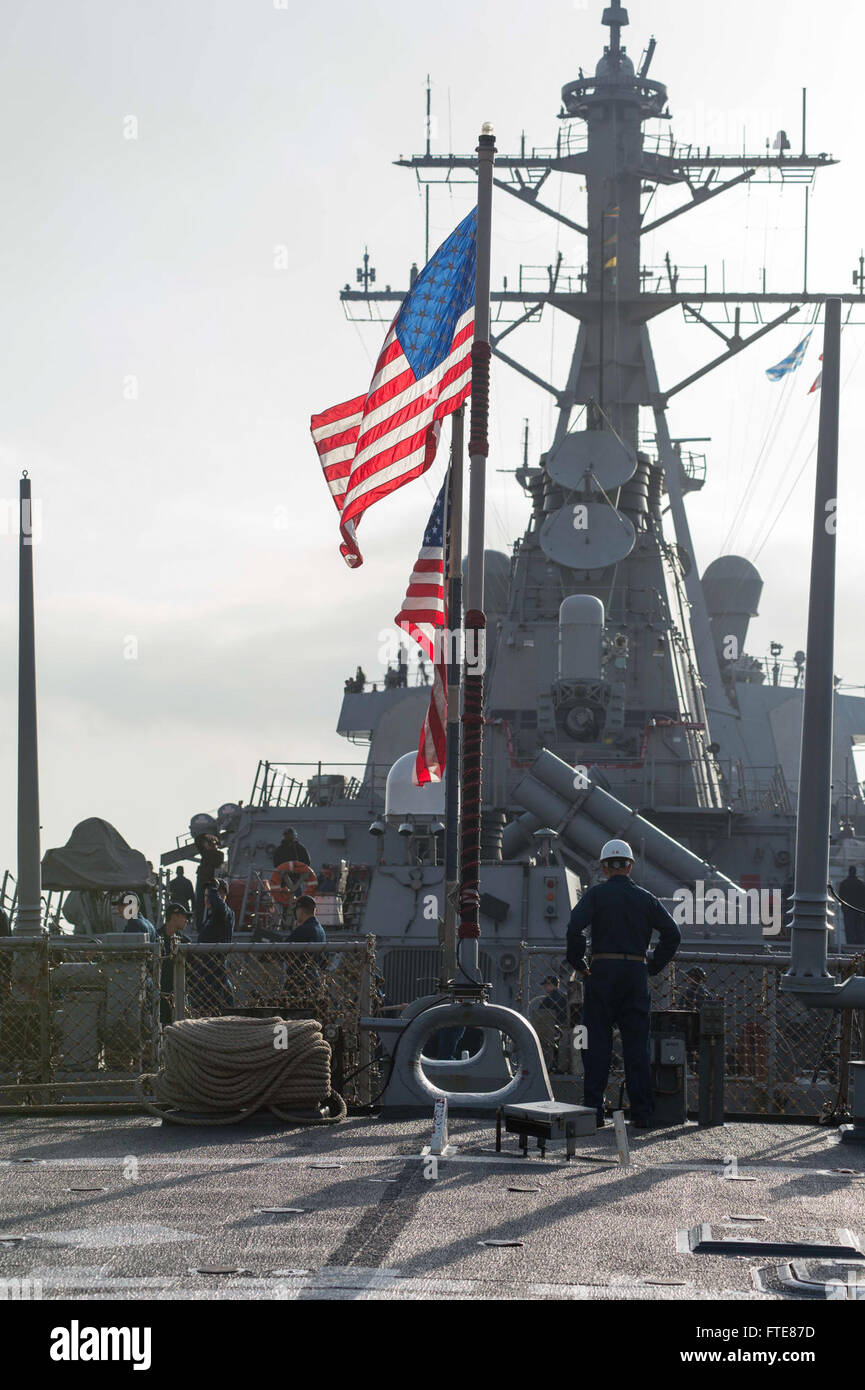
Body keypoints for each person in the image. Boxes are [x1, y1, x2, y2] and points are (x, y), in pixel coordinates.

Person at [566, 838, 681, 1129]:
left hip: (602, 971)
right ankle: (641, 1113)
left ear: (604, 867)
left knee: (597, 1044)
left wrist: (580, 963)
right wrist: (652, 965)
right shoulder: (646, 898)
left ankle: (594, 1110)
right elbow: (672, 934)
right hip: (634, 973)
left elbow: (574, 928)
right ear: (629, 866)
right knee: (636, 1045)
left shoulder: (596, 896)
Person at [188, 879, 235, 1015]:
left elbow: (220, 907)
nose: (207, 899)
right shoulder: (212, 917)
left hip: (216, 976)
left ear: (223, 896)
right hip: (204, 975)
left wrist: (214, 890)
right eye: (206, 895)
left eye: (212, 895)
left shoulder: (225, 913)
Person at [285, 894, 326, 1002]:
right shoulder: (320, 929)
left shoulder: (305, 929)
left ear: (301, 911)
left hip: (299, 981)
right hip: (314, 979)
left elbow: (283, 949)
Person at [157, 904, 192, 1025]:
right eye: (184, 917)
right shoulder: (157, 938)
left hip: (180, 992)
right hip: (160, 993)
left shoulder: (186, 942)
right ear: (174, 917)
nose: (187, 920)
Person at [194, 834, 224, 928]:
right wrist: (207, 836)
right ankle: (201, 924)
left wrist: (208, 838)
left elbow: (198, 840)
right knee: (201, 904)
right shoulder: (209, 853)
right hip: (204, 881)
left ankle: (203, 924)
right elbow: (198, 840)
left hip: (209, 882)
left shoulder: (215, 854)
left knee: (205, 904)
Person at [837, 867, 865, 946]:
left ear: (849, 872)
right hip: (859, 909)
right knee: (859, 927)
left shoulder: (844, 883)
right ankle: (860, 944)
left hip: (847, 909)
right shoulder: (861, 883)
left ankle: (850, 943)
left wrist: (843, 907)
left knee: (849, 927)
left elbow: (840, 897)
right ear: (855, 872)